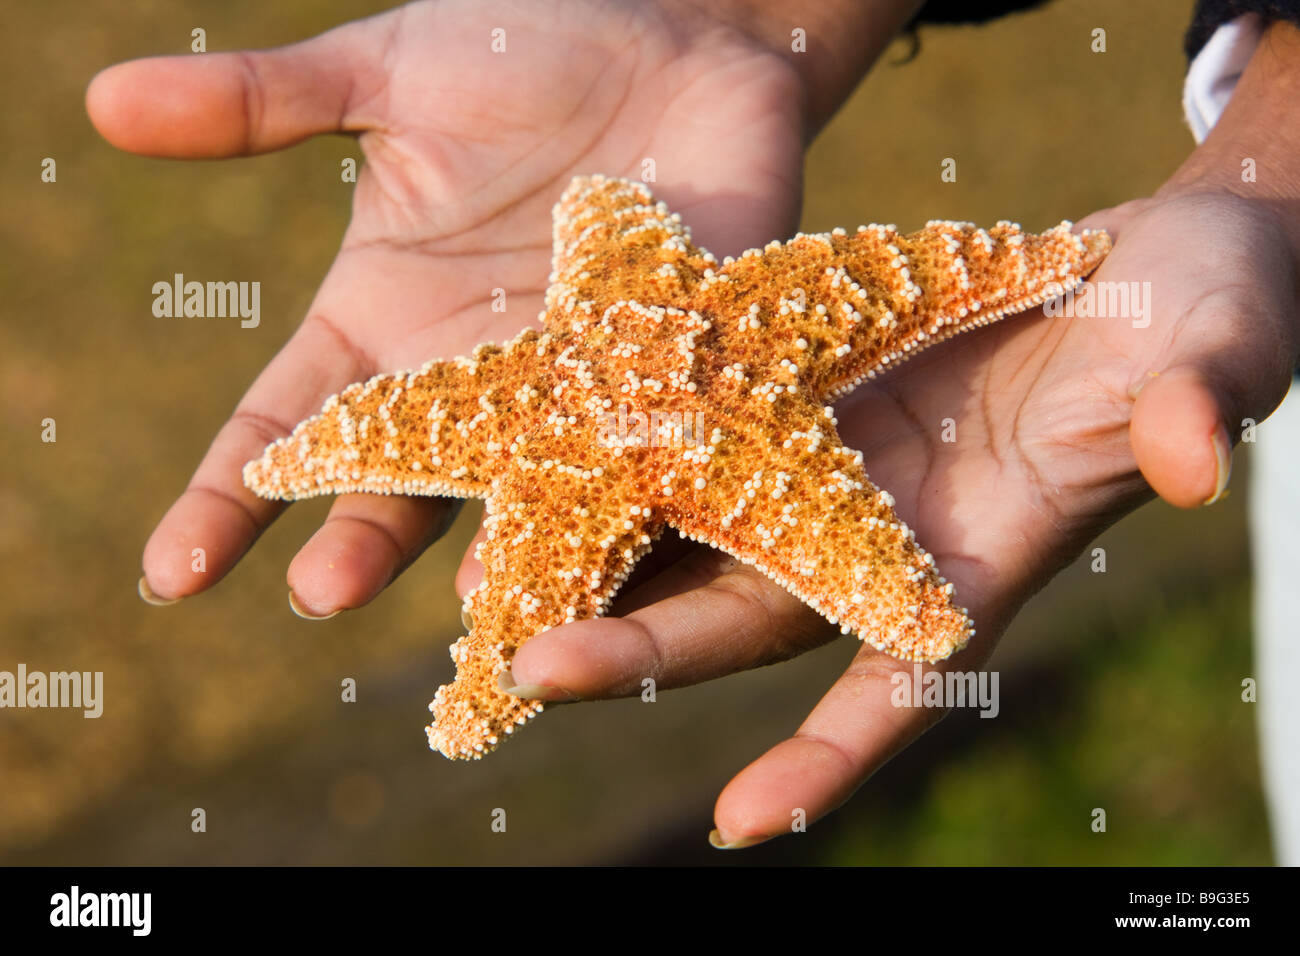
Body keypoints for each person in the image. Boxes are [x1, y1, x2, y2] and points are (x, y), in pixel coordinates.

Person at [89, 0, 1300, 853]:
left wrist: (1266, 170)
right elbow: (602, 225)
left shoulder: (637, 332)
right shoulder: (626, 295)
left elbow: (894, 282)